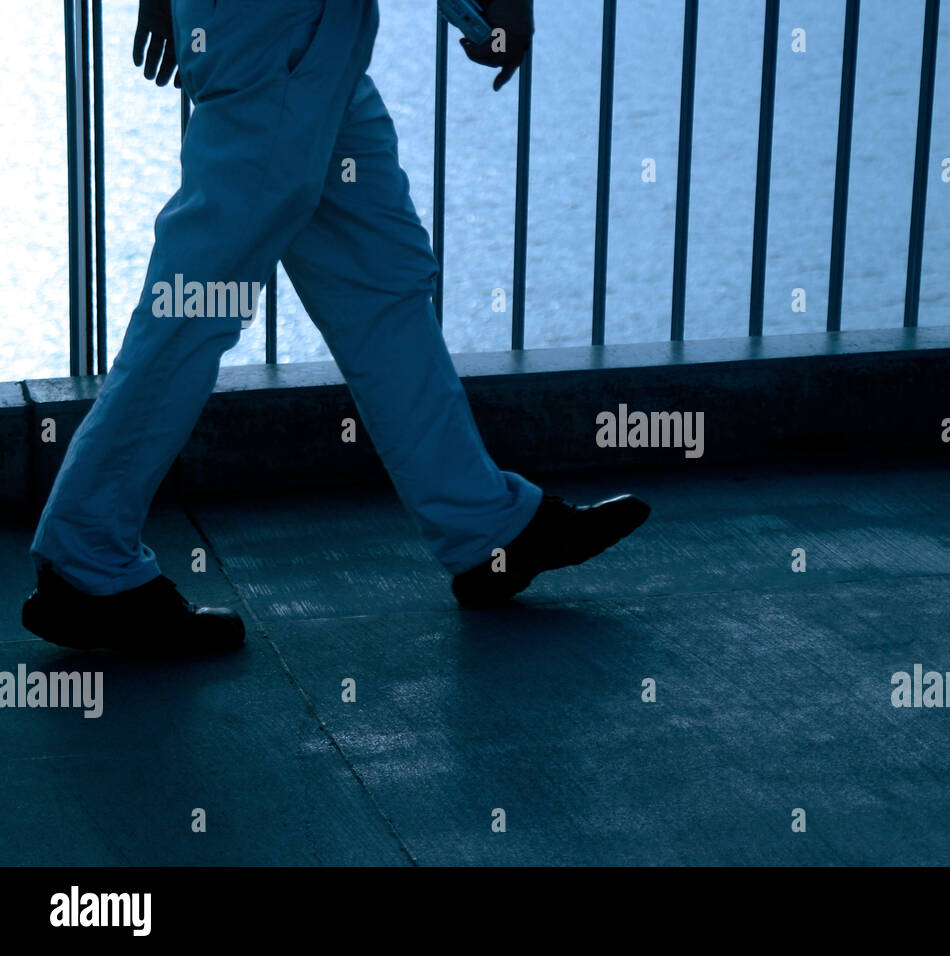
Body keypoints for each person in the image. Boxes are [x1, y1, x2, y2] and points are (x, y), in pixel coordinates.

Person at [21, 0, 649, 654]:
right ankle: (86, 556)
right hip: (284, 38)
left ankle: (486, 527)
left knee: (380, 279)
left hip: (304, 41)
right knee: (198, 305)